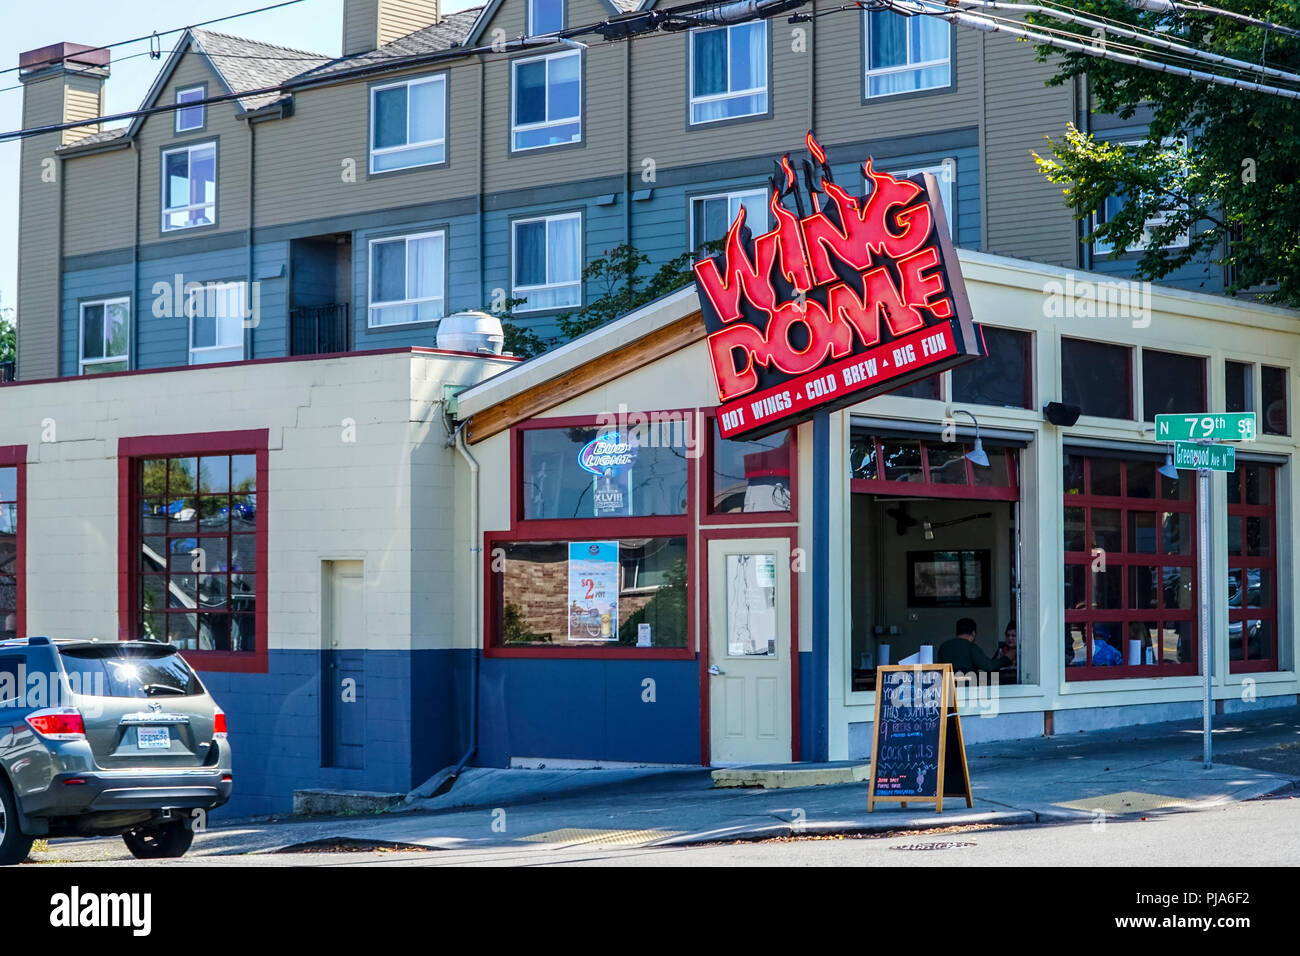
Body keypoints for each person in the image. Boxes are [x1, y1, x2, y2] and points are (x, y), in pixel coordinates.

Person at [937, 618, 1010, 676]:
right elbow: (989, 666)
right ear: (973, 633)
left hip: (947, 690)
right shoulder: (971, 647)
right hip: (967, 690)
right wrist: (1007, 657)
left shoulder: (943, 647)